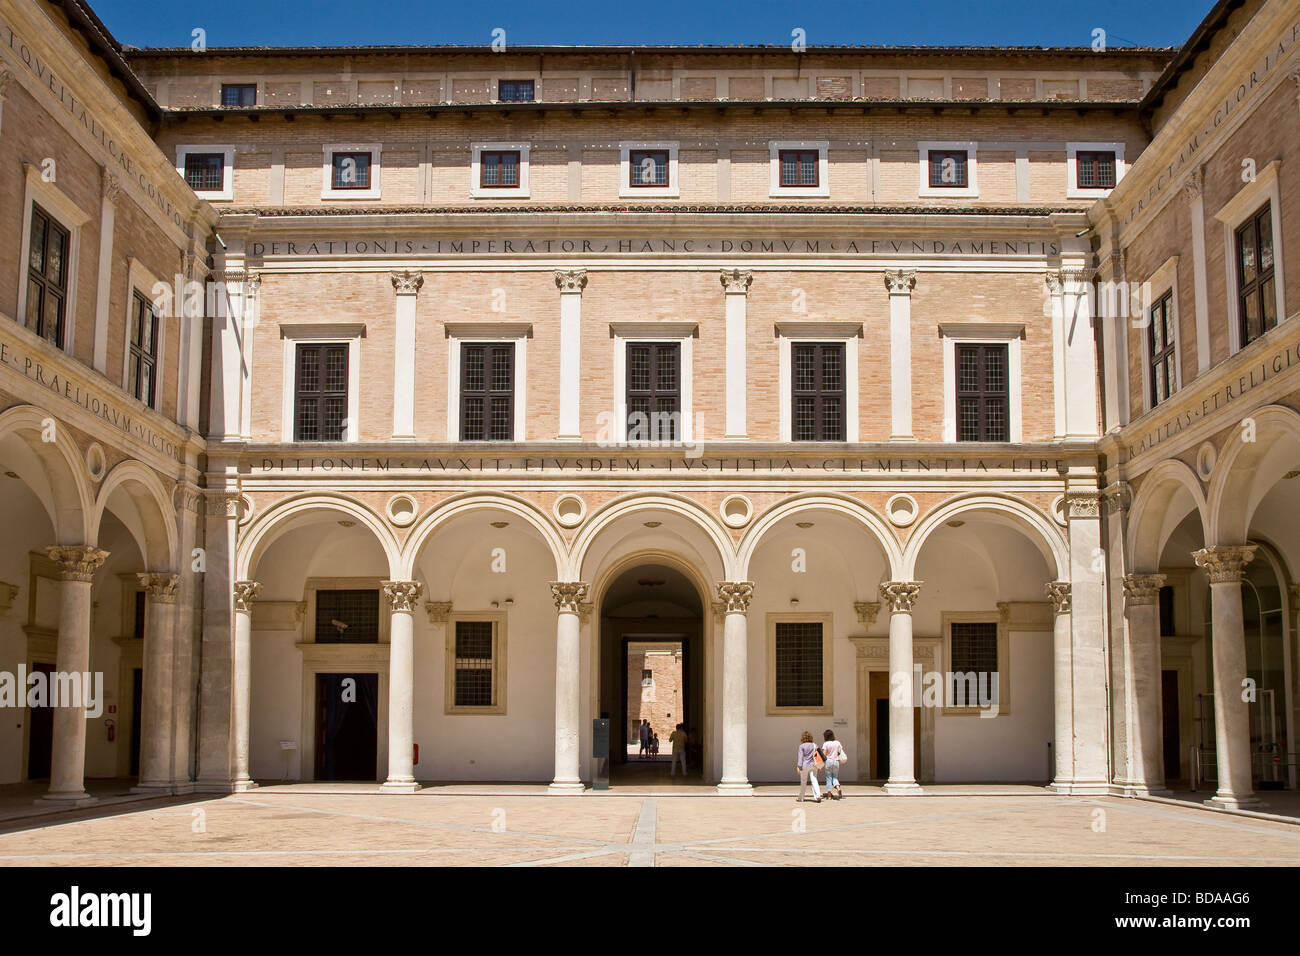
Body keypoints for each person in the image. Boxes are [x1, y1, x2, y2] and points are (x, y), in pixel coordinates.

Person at [796, 730, 822, 802]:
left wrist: (799, 767)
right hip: (814, 765)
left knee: (803, 782)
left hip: (804, 766)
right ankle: (818, 796)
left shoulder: (801, 746)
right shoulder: (815, 745)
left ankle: (801, 798)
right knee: (814, 780)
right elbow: (818, 756)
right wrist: (820, 766)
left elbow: (800, 757)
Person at [821, 729, 846, 800]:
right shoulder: (837, 742)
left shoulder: (826, 744)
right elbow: (839, 752)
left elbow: (824, 754)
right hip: (836, 762)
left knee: (828, 778)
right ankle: (838, 788)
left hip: (828, 761)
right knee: (835, 777)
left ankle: (829, 795)